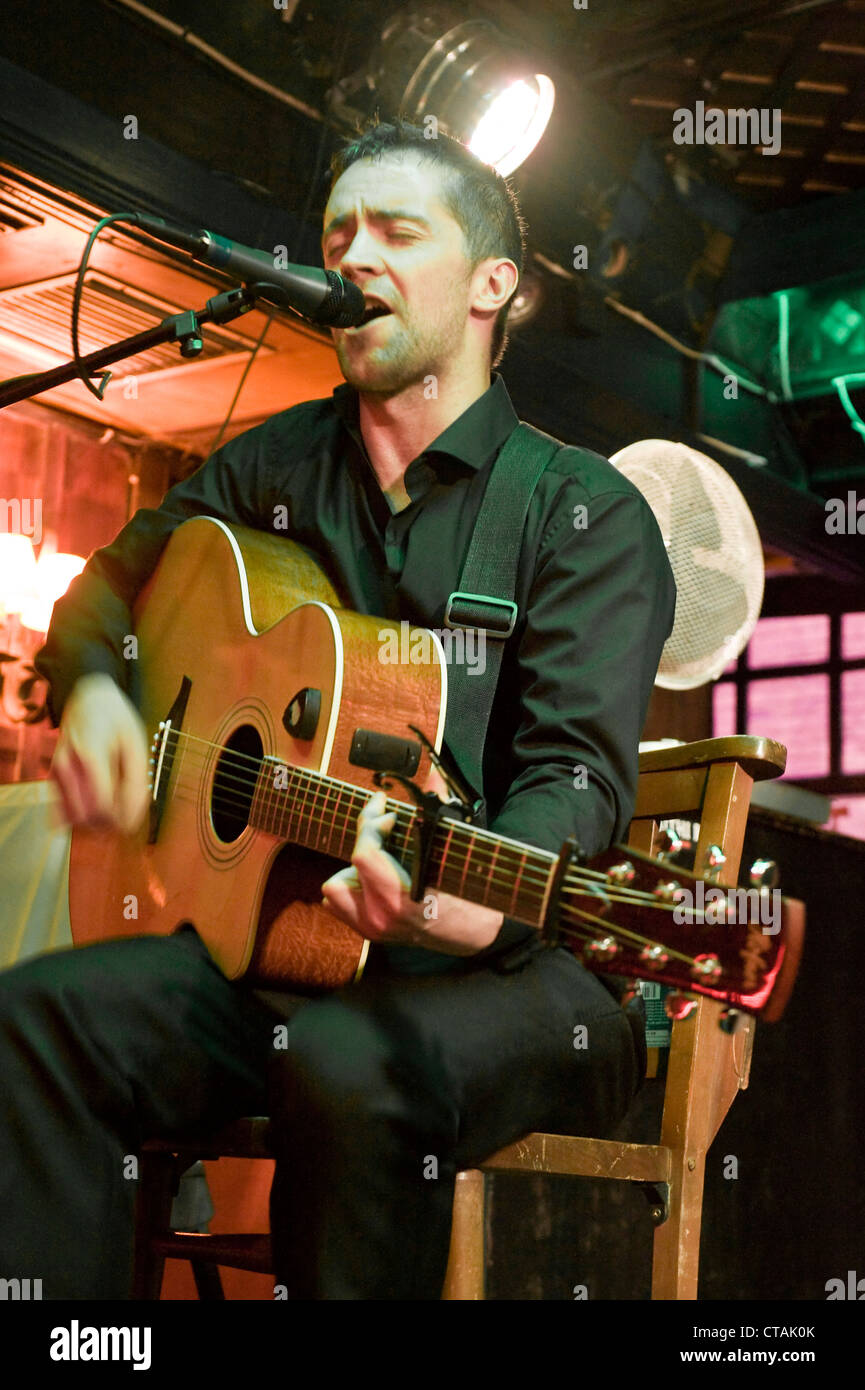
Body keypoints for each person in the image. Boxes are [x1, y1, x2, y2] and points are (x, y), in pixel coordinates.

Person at [0, 118, 676, 1299]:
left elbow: (575, 778)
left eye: (396, 232)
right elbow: (109, 591)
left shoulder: (580, 510)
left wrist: (480, 899)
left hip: (517, 975)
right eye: (336, 233)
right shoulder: (271, 469)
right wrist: (104, 690)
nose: (352, 254)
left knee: (345, 1061)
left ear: (490, 288)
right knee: (34, 1023)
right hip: (281, 954)